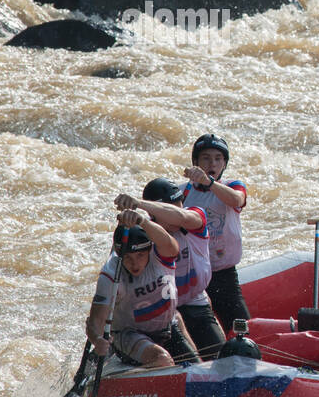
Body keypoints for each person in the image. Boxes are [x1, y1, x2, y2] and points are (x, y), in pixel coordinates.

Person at [117, 177, 224, 358]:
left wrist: (139, 203)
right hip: (163, 312)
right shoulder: (144, 235)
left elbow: (180, 216)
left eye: (179, 203)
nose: (178, 210)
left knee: (222, 357)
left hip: (195, 302)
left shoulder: (196, 216)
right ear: (155, 215)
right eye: (169, 208)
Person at [85, 209, 196, 369]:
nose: (134, 264)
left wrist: (142, 221)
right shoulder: (110, 275)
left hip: (166, 328)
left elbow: (169, 243)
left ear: (149, 249)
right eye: (128, 258)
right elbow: (95, 321)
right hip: (128, 334)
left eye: (140, 256)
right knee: (163, 359)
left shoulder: (161, 255)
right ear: (119, 254)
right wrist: (97, 339)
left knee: (196, 367)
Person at [182, 133, 249, 332]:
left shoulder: (232, 186)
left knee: (242, 330)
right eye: (206, 158)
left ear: (224, 164)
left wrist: (209, 183)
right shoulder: (182, 192)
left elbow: (237, 200)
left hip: (224, 274)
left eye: (218, 158)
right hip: (192, 275)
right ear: (195, 162)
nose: (212, 163)